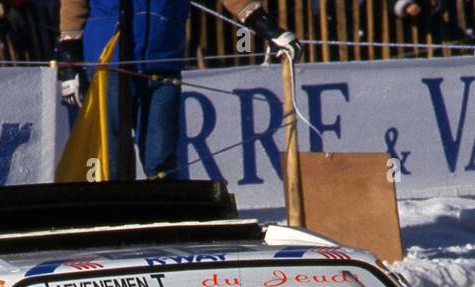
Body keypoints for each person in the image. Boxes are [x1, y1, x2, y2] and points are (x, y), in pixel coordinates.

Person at [56, 0, 299, 180]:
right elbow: (73, 5)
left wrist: (267, 27)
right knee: (109, 156)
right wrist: (69, 57)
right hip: (109, 60)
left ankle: (162, 218)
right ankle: (108, 218)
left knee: (161, 157)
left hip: (163, 60)